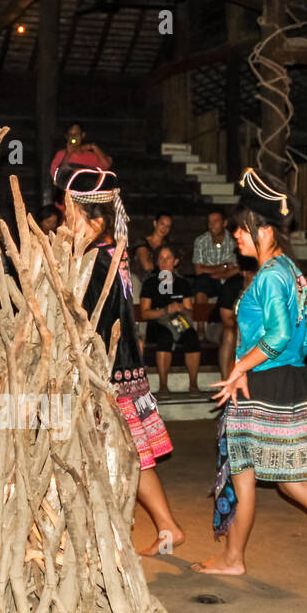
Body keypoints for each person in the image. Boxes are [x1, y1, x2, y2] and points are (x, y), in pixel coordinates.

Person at [196, 168, 307, 589]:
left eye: (241, 229)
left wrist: (241, 367)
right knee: (290, 481)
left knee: (247, 474)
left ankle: (235, 558)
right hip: (287, 380)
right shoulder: (291, 271)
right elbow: (304, 335)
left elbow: (276, 336)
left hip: (262, 382)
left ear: (264, 229)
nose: (236, 237)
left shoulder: (271, 276)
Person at [58, 164, 184, 558]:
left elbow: (86, 317)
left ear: (89, 216)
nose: (65, 218)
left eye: (69, 211)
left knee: (116, 452)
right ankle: (167, 526)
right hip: (122, 364)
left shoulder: (97, 258)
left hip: (106, 370)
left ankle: (104, 537)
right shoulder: (113, 250)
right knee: (134, 453)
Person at [140, 245, 200, 395]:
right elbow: (144, 313)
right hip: (157, 323)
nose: (164, 262)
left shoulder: (182, 283)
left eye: (168, 258)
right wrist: (164, 310)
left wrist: (181, 308)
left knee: (192, 337)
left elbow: (189, 310)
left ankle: (193, 384)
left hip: (178, 322)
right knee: (164, 337)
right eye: (161, 258)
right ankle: (163, 386)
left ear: (175, 261)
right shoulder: (150, 283)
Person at [191, 210, 239, 313]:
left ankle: (229, 320)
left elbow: (238, 268)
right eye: (209, 221)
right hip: (209, 281)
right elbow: (199, 270)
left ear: (224, 223)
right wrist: (224, 267)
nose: (211, 225)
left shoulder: (235, 240)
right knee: (201, 283)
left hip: (229, 279)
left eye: (215, 221)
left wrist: (216, 272)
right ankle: (200, 322)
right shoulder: (201, 241)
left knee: (236, 282)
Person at [131, 212, 174, 278]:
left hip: (159, 279)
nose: (164, 228)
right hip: (139, 279)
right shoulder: (142, 242)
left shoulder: (167, 246)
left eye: (167, 226)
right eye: (162, 224)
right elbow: (147, 266)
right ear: (155, 223)